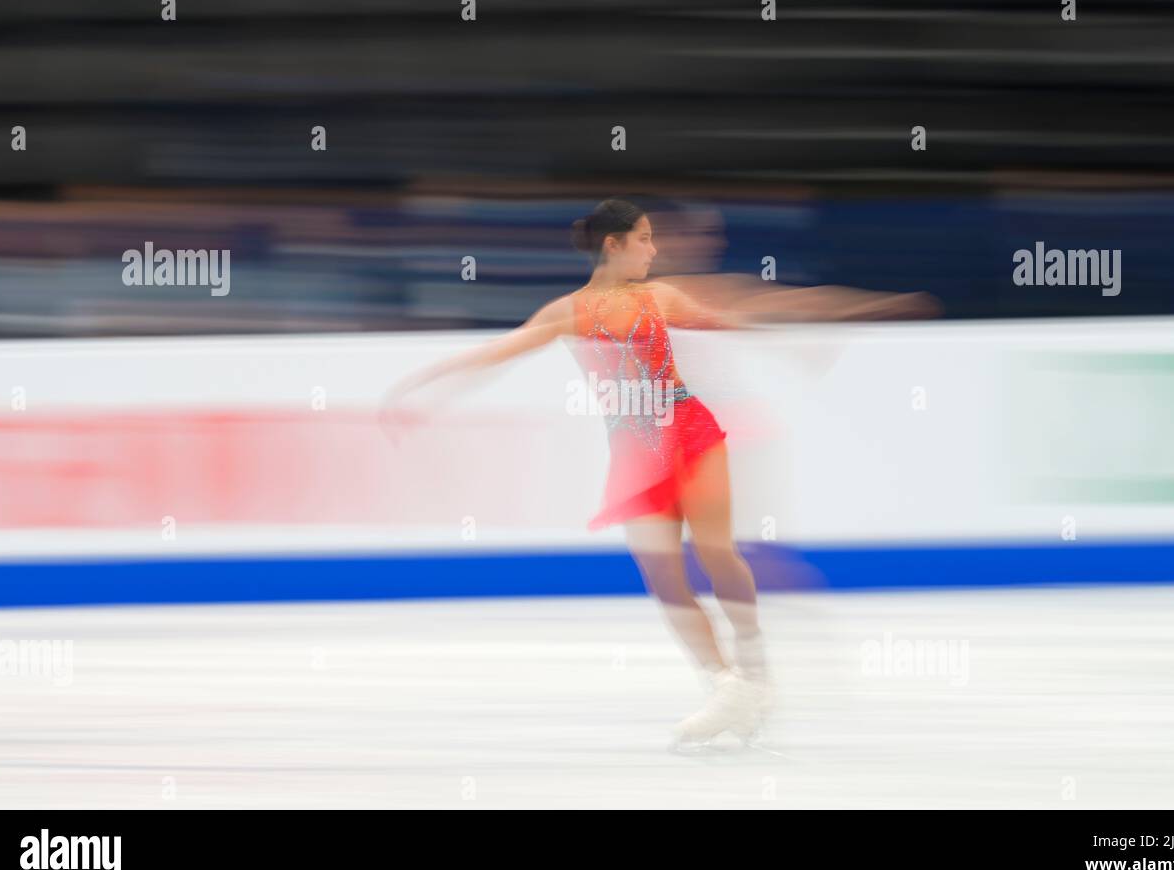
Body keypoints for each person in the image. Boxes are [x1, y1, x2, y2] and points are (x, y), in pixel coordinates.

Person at [381, 197, 932, 747]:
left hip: (691, 435)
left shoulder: (659, 297)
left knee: (716, 553)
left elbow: (739, 318)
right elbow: (497, 353)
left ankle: (755, 668)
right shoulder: (567, 312)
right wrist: (424, 387)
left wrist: (798, 342)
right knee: (663, 576)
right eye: (643, 239)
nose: (653, 248)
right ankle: (726, 685)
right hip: (636, 454)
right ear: (612, 245)